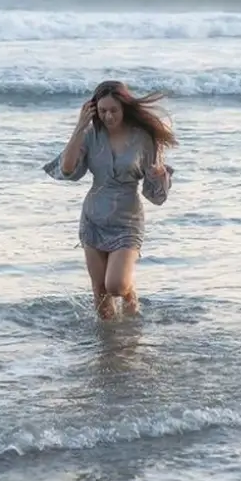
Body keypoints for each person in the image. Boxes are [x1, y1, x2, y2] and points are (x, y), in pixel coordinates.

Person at [43, 80, 176, 319]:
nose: (108, 116)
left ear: (124, 108)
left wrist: (159, 176)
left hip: (127, 220)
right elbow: (67, 168)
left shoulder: (144, 138)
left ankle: (130, 298)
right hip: (93, 218)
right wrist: (79, 127)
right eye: (102, 111)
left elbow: (155, 196)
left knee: (116, 285)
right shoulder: (90, 135)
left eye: (113, 110)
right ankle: (109, 347)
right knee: (100, 291)